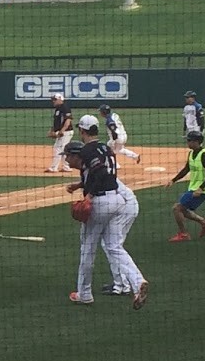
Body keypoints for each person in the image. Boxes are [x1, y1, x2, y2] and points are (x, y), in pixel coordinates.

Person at [61, 126, 149, 310]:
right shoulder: (97, 160)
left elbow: (98, 176)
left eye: (68, 156)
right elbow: (96, 176)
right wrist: (79, 186)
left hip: (113, 203)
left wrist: (89, 196)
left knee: (88, 249)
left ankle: (84, 294)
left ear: (77, 156)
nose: (66, 159)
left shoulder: (92, 162)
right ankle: (137, 281)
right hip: (117, 203)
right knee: (113, 246)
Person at [166, 131, 205, 242]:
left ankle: (183, 233)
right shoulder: (191, 153)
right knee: (183, 209)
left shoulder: (204, 155)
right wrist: (173, 180)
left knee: (177, 208)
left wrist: (201, 188)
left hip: (202, 190)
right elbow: (186, 169)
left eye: (189, 140)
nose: (187, 142)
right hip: (193, 188)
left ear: (196, 142)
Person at [46, 93, 74, 172]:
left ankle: (54, 167)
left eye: (54, 100)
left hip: (66, 131)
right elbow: (56, 122)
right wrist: (52, 130)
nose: (53, 101)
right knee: (63, 148)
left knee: (58, 148)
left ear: (60, 99)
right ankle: (66, 167)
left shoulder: (65, 108)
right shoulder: (58, 109)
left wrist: (62, 131)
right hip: (63, 131)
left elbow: (68, 120)